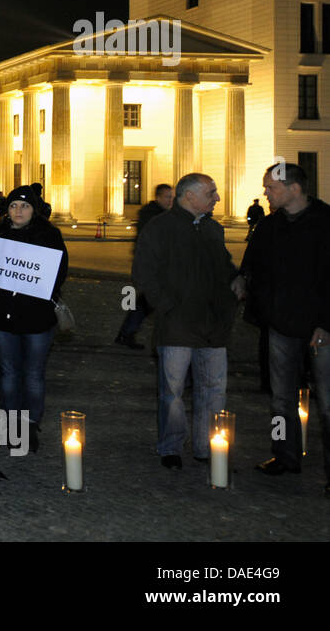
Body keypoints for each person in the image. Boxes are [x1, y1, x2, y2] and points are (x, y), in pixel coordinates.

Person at [132, 173, 244, 469]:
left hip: (214, 326)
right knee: (173, 393)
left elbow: (223, 265)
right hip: (177, 326)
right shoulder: (159, 228)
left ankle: (206, 446)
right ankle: (171, 446)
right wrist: (168, 307)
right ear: (189, 196)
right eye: (211, 192)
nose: (217, 197)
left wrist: (236, 281)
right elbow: (144, 273)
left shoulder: (212, 229)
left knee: (213, 390)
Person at [243, 163, 330, 495]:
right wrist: (243, 283)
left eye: (272, 187)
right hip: (281, 325)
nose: (266, 192)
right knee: (281, 401)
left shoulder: (325, 223)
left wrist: (326, 323)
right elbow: (252, 265)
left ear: (295, 189)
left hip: (322, 328)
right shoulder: (269, 225)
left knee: (327, 404)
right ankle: (283, 455)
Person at [0, 186, 68, 448]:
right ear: (7, 210)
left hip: (36, 319)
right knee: (8, 373)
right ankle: (10, 421)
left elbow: (58, 273)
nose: (18, 211)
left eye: (25, 206)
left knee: (33, 373)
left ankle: (29, 425)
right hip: (2, 319)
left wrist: (33, 291)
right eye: (14, 206)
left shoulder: (49, 236)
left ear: (34, 210)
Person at [114, 183, 174, 349]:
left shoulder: (154, 213)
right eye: (168, 197)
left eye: (172, 197)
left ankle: (126, 333)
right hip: (153, 267)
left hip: (153, 267)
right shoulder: (154, 216)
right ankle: (129, 334)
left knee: (145, 303)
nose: (171, 200)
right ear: (159, 197)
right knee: (149, 303)